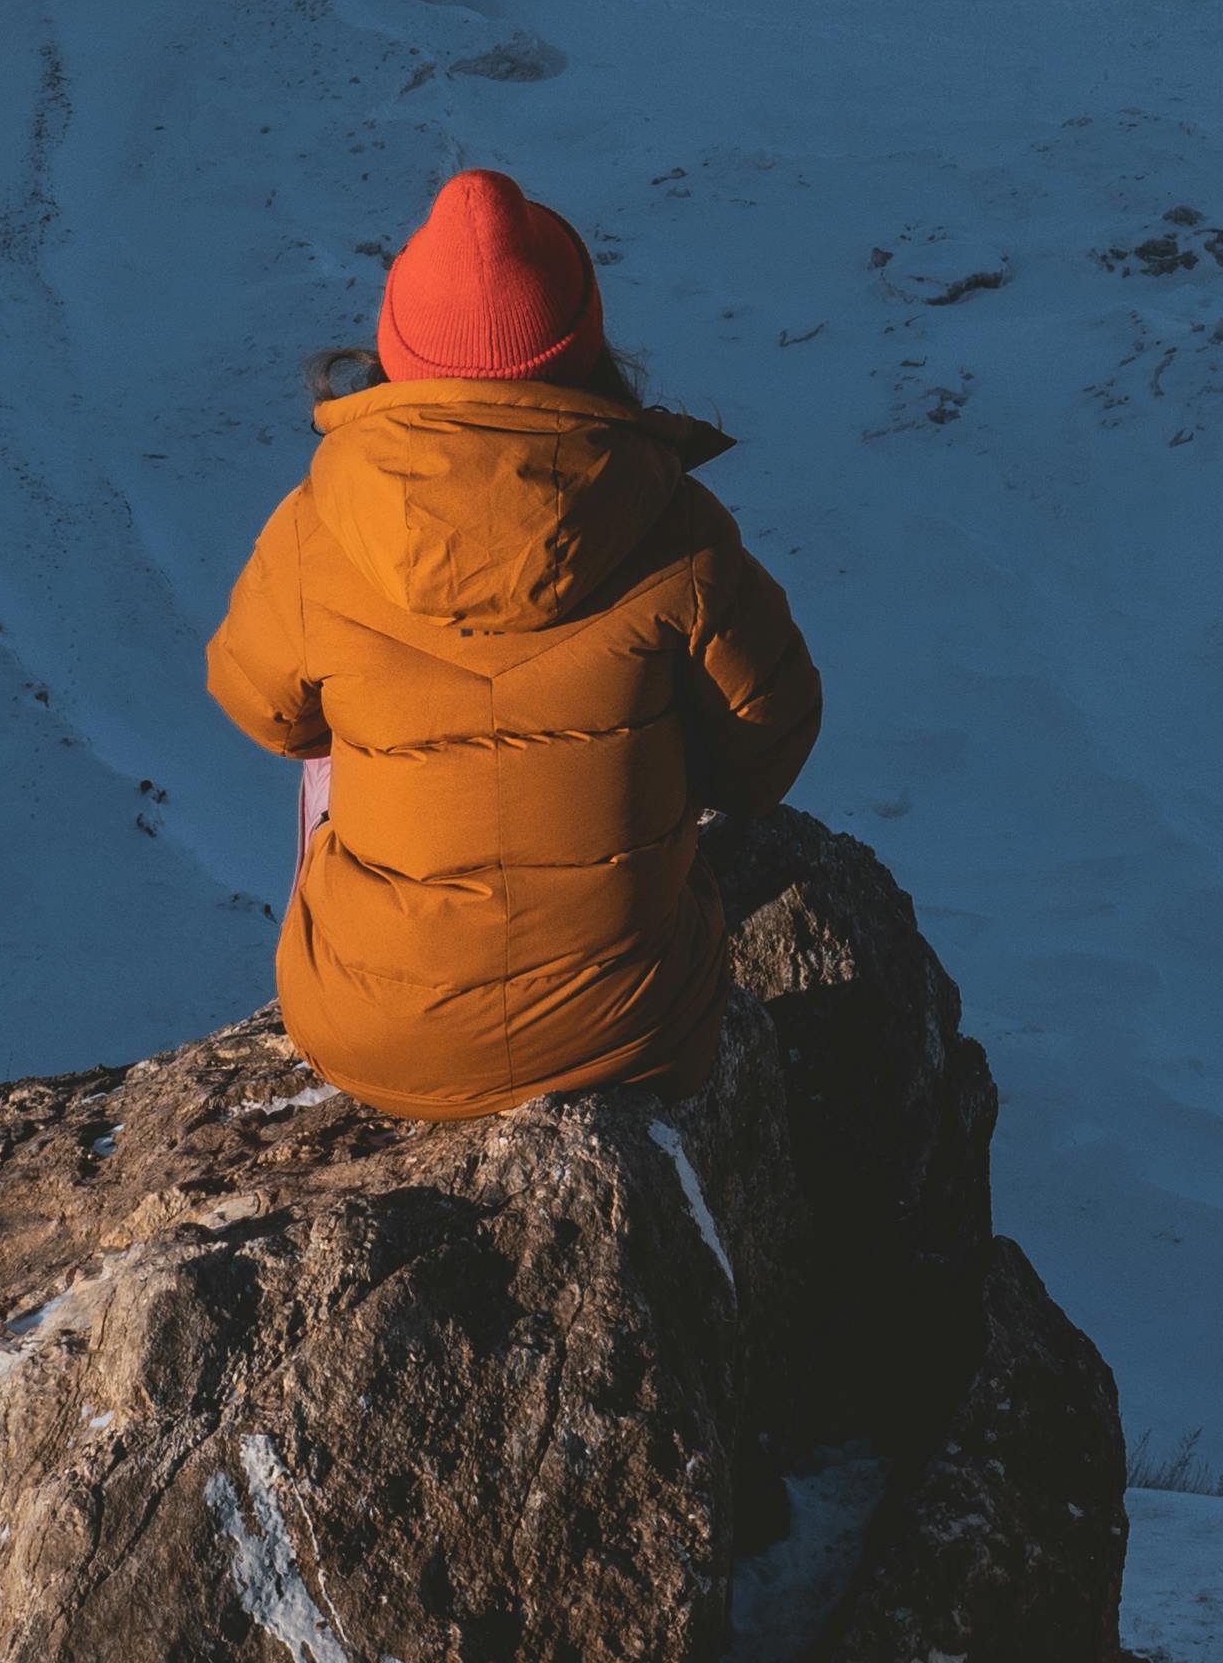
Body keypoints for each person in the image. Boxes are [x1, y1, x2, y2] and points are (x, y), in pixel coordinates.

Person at [207, 165, 822, 1123]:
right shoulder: (676, 523)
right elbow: (768, 743)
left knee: (335, 734)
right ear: (584, 343)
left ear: (394, 351)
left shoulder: (316, 524)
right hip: (630, 1030)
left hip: (366, 1040)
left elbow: (267, 714)